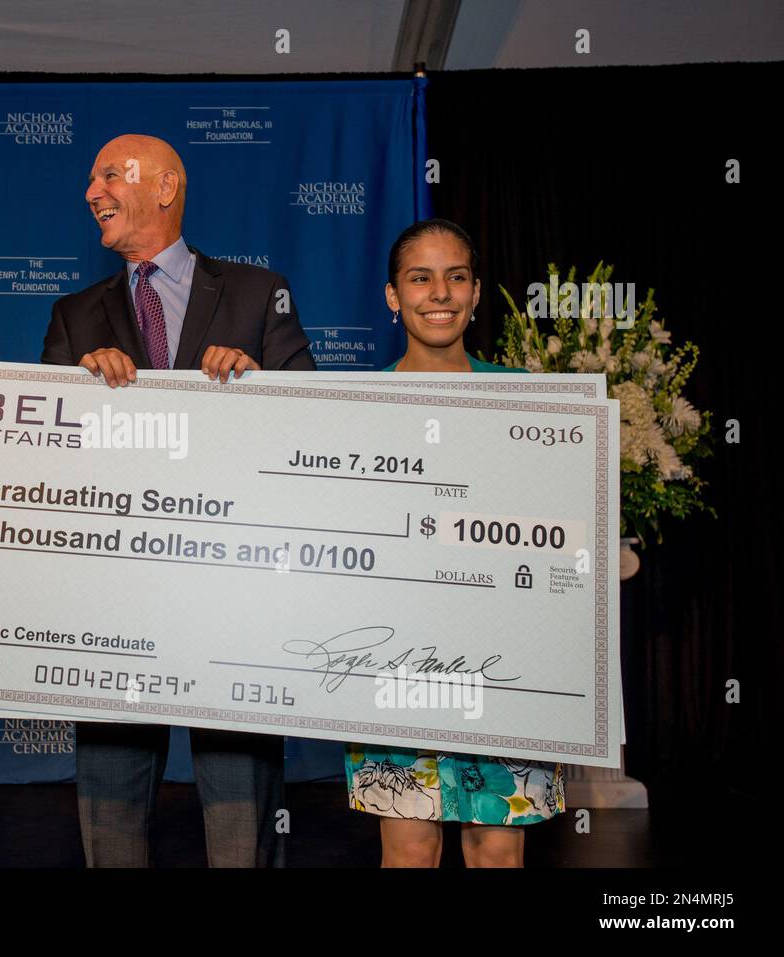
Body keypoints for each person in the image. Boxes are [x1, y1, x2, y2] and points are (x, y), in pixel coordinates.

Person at [41, 133, 315, 866]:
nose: (90, 191)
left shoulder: (259, 294)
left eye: (108, 175)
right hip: (112, 611)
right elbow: (46, 464)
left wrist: (258, 383)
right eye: (91, 178)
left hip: (234, 607)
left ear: (165, 187)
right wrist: (75, 394)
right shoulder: (74, 317)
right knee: (112, 834)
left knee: (238, 837)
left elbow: (313, 433)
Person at [347, 218, 565, 867]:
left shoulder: (528, 401)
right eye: (420, 277)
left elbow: (558, 539)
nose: (439, 292)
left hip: (507, 664)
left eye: (456, 277)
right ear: (393, 295)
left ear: (474, 294)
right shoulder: (356, 410)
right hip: (398, 663)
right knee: (410, 850)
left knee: (497, 850)